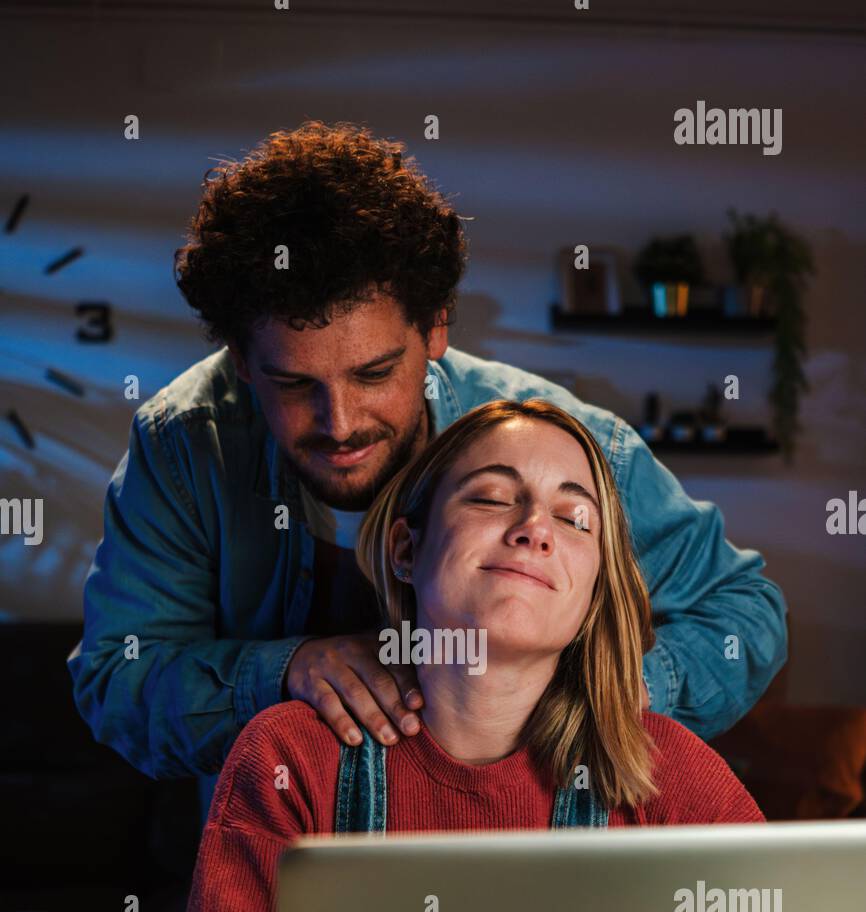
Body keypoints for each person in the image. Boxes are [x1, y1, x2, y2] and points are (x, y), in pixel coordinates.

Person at [68, 121, 786, 808]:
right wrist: (282, 671)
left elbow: (746, 615)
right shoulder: (184, 444)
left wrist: (612, 692)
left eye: (374, 373)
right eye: (293, 385)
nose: (340, 422)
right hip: (281, 858)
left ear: (436, 325)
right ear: (239, 359)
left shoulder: (569, 448)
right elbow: (117, 681)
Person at [145, 399, 764, 912]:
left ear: (593, 595)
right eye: (494, 498)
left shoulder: (668, 773)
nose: (534, 529)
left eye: (572, 517)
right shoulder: (292, 758)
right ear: (407, 551)